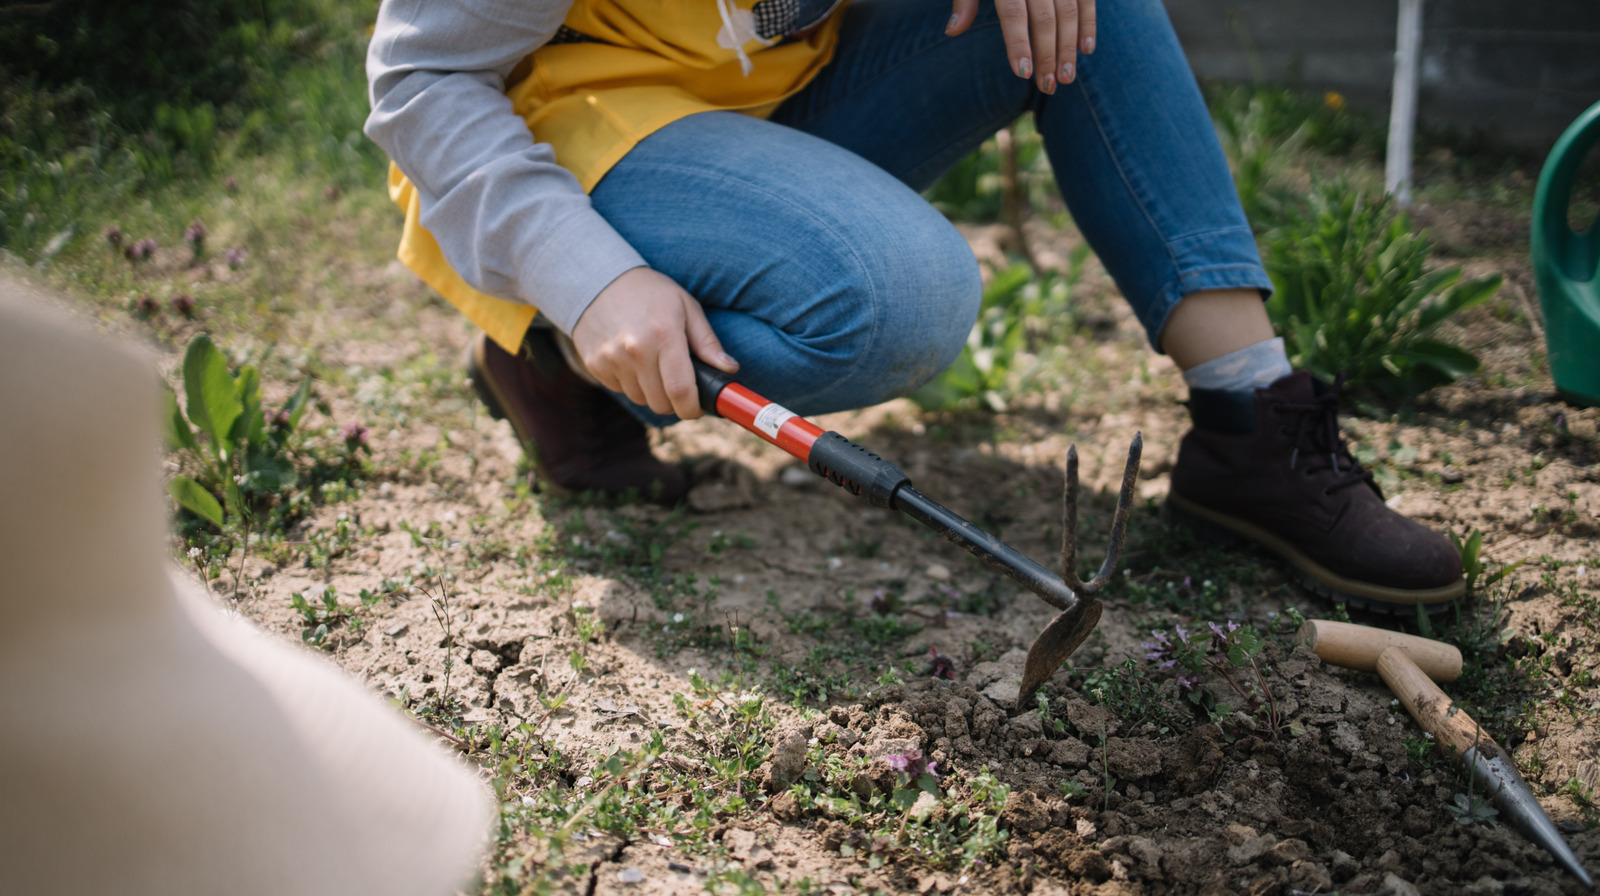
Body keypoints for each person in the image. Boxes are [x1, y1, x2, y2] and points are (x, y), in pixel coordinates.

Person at [364, 0, 1463, 612]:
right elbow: (422, 79)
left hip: (779, 94)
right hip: (580, 129)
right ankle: (558, 354)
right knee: (895, 301)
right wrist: (586, 276)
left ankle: (1249, 421)